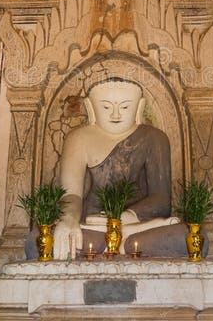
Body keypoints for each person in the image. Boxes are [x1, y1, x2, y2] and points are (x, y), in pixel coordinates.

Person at [25, 77, 203, 259]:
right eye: (106, 107)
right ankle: (123, 246)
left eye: (125, 107)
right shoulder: (78, 138)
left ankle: (118, 243)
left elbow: (161, 199)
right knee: (39, 240)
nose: (116, 115)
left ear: (139, 107)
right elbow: (71, 194)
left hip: (138, 226)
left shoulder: (154, 138)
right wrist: (69, 220)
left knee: (190, 238)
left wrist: (121, 220)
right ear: (91, 107)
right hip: (93, 226)